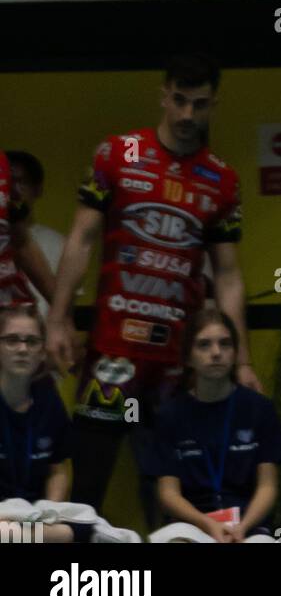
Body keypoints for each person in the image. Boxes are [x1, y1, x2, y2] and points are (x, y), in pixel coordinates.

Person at [46, 52, 260, 527]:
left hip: (175, 364)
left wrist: (242, 359)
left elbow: (227, 275)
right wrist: (58, 318)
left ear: (214, 104)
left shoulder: (223, 180)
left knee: (172, 490)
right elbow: (81, 239)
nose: (187, 115)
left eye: (199, 104)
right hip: (111, 352)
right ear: (162, 96)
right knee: (87, 485)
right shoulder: (116, 155)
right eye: (179, 101)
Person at [147, 307, 281, 542]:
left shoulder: (260, 408)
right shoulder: (169, 414)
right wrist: (206, 523)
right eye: (204, 345)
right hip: (191, 523)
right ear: (187, 357)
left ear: (235, 352)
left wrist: (243, 527)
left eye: (225, 344)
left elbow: (268, 486)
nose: (216, 353)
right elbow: (168, 493)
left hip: (248, 524)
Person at [0, 304, 83, 544]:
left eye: (32, 341)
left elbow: (58, 470)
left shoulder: (48, 399)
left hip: (35, 517)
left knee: (74, 530)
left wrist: (50, 511)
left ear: (41, 352)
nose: (23, 349)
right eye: (12, 340)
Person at [6, 151, 67, 318]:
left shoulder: (59, 244)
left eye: (22, 182)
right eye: (8, 182)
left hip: (38, 337)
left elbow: (64, 306)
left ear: (38, 188)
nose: (13, 190)